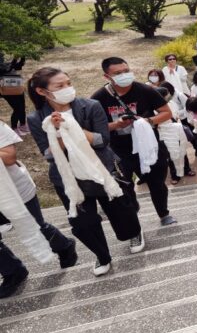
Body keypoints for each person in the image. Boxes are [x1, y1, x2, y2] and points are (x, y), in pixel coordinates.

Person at [27, 67, 145, 276]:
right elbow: (49, 154)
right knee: (84, 223)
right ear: (42, 91)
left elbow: (102, 140)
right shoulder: (37, 119)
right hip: (69, 177)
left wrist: (73, 129)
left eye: (68, 83)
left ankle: (134, 233)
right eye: (59, 86)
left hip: (101, 168)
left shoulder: (90, 106)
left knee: (120, 209)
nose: (67, 89)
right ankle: (101, 255)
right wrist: (57, 133)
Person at [92, 57, 177, 226]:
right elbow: (95, 128)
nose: (124, 75)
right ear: (107, 77)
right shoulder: (99, 98)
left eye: (126, 71)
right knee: (124, 185)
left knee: (157, 183)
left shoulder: (145, 90)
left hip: (148, 145)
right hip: (119, 149)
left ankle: (163, 213)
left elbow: (166, 113)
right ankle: (133, 208)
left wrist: (148, 121)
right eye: (118, 73)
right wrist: (117, 124)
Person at [1, 119, 78, 267]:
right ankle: (13, 271)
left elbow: (10, 157)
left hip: (15, 189)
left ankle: (64, 245)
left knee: (36, 225)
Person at [0, 55, 29, 136]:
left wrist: (22, 57)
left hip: (16, 82)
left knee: (22, 106)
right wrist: (15, 59)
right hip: (6, 85)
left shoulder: (3, 59)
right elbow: (6, 69)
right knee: (17, 108)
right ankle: (14, 128)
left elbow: (17, 67)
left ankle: (23, 125)